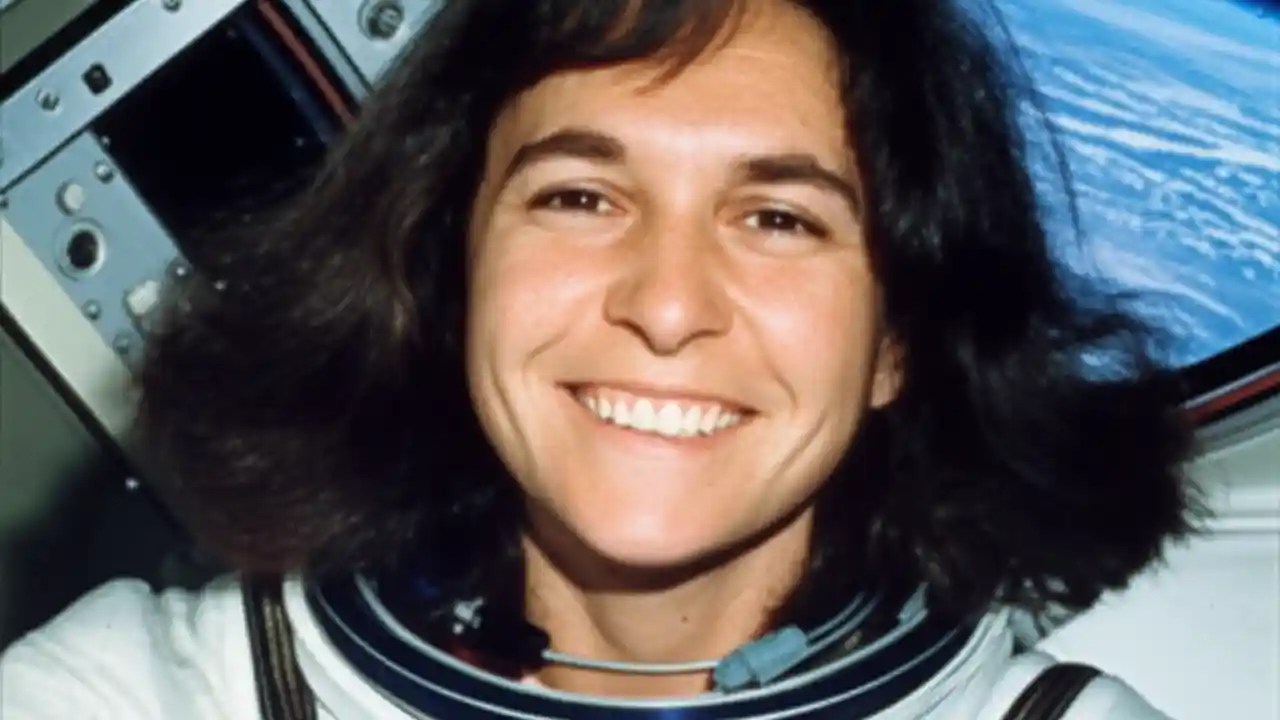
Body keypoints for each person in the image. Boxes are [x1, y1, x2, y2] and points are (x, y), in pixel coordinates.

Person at [0, 0, 1194, 717]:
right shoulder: (143, 689)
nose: (666, 307)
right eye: (578, 195)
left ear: (895, 343)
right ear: (456, 273)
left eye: (777, 218)